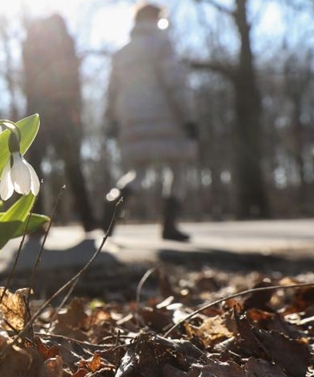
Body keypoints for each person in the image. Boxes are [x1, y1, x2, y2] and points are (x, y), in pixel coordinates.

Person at [104, 2, 198, 242]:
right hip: (166, 119)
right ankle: (169, 226)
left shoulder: (122, 52)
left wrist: (111, 120)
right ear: (156, 19)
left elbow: (112, 91)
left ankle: (112, 207)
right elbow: (174, 84)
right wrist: (188, 117)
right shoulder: (161, 46)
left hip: (131, 120)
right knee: (177, 169)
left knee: (137, 171)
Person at [22, 14, 99, 232]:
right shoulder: (64, 42)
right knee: (72, 166)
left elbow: (30, 81)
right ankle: (88, 221)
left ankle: (34, 223)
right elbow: (73, 80)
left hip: (42, 110)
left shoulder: (32, 42)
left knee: (37, 167)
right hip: (61, 111)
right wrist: (75, 110)